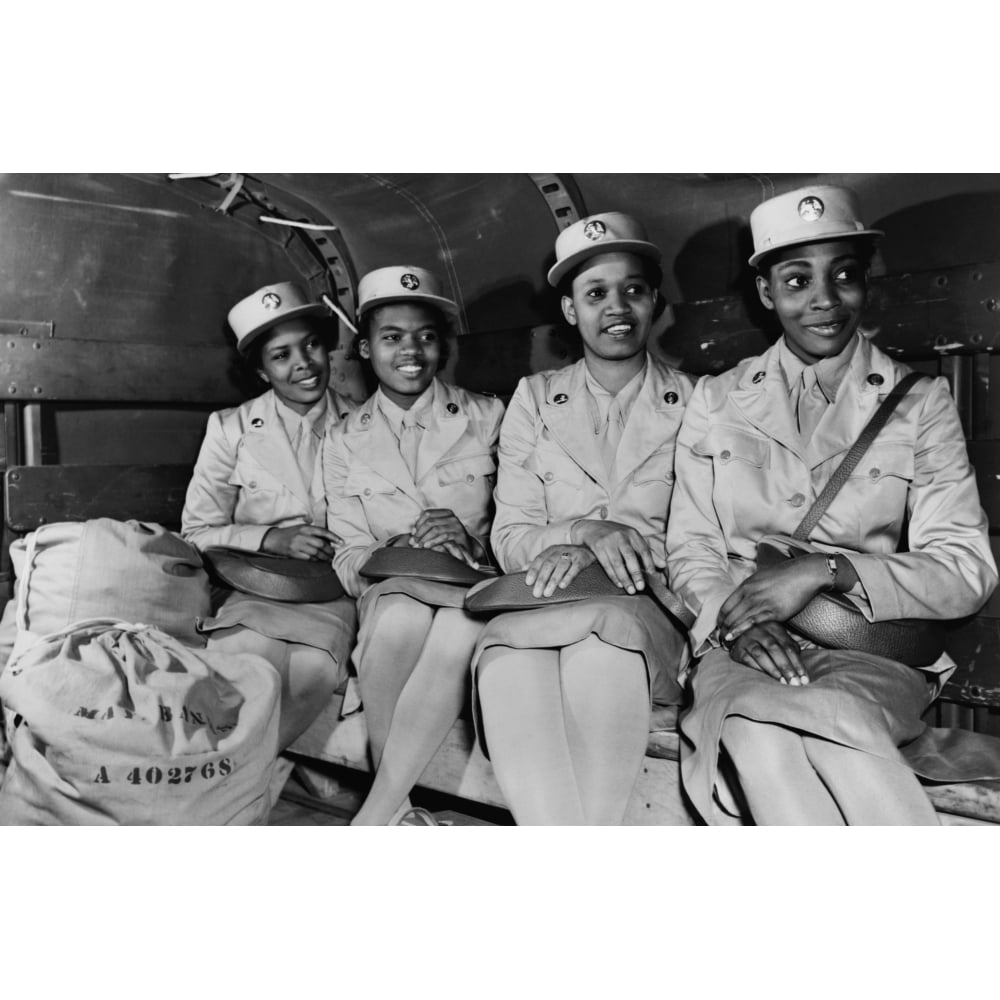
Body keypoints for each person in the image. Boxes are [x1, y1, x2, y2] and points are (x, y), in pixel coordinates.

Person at [667, 185, 998, 825]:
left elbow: (965, 568)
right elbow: (693, 546)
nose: (824, 300)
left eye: (843, 276)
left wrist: (828, 571)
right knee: (756, 726)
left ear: (863, 284)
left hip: (866, 649)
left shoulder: (917, 402)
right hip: (742, 643)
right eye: (797, 280)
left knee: (814, 722)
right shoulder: (717, 399)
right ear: (766, 293)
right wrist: (738, 623)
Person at [472, 213, 692, 825]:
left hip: (648, 611)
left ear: (656, 303)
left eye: (633, 290)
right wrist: (581, 531)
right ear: (570, 311)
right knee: (505, 664)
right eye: (595, 293)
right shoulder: (534, 399)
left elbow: (710, 541)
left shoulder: (699, 403)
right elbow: (511, 540)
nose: (615, 307)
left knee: (600, 654)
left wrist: (604, 553)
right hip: (544, 602)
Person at [324, 265, 505, 826]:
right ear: (365, 347)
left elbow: (522, 529)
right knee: (400, 619)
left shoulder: (490, 416)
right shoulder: (342, 438)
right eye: (392, 337)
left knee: (456, 629)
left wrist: (472, 542)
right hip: (391, 588)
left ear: (442, 345)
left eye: (426, 336)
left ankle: (378, 817)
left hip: (472, 587)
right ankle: (395, 812)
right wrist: (395, 551)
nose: (412, 351)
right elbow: (346, 553)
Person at [182, 281, 358, 750]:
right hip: (256, 589)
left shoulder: (365, 422)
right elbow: (196, 532)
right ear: (261, 371)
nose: (303, 363)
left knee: (314, 670)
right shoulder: (230, 429)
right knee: (245, 664)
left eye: (312, 345)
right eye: (281, 355)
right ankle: (236, 788)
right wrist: (269, 540)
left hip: (335, 593)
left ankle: (231, 791)